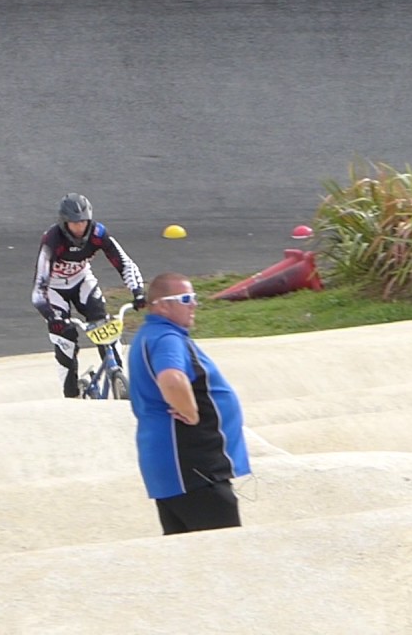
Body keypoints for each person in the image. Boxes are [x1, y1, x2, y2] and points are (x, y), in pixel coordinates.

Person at [126, 272, 251, 535]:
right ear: (162, 305)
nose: (193, 304)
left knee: (190, 555)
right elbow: (171, 378)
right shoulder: (166, 338)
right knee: (226, 555)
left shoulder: (151, 335)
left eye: (193, 298)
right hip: (193, 469)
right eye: (185, 299)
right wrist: (191, 413)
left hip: (179, 470)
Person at [31, 193, 145, 398]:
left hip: (82, 280)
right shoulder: (52, 239)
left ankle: (117, 375)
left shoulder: (98, 233)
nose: (79, 227)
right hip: (54, 289)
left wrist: (138, 292)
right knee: (65, 339)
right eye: (74, 223)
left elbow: (124, 263)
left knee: (103, 323)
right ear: (64, 222)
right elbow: (39, 289)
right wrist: (52, 317)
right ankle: (72, 395)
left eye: (83, 222)